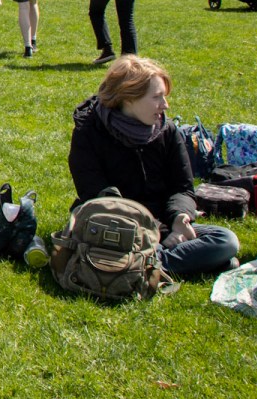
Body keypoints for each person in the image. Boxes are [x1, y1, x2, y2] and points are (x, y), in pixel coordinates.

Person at [65, 55, 239, 278]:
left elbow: (182, 187)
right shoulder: (89, 131)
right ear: (129, 98)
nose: (165, 105)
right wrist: (156, 233)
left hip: (165, 223)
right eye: (157, 97)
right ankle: (171, 261)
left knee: (226, 241)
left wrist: (179, 218)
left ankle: (146, 263)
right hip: (114, 224)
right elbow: (97, 197)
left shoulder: (167, 132)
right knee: (107, 240)